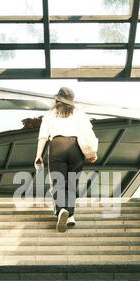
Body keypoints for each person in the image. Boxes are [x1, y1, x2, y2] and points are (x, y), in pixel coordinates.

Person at [33, 87, 98, 232]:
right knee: (72, 181)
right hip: (76, 147)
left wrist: (38, 155)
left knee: (58, 181)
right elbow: (88, 133)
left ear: (57, 100)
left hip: (57, 146)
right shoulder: (79, 113)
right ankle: (71, 215)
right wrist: (91, 152)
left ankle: (62, 209)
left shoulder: (50, 114)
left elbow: (43, 137)